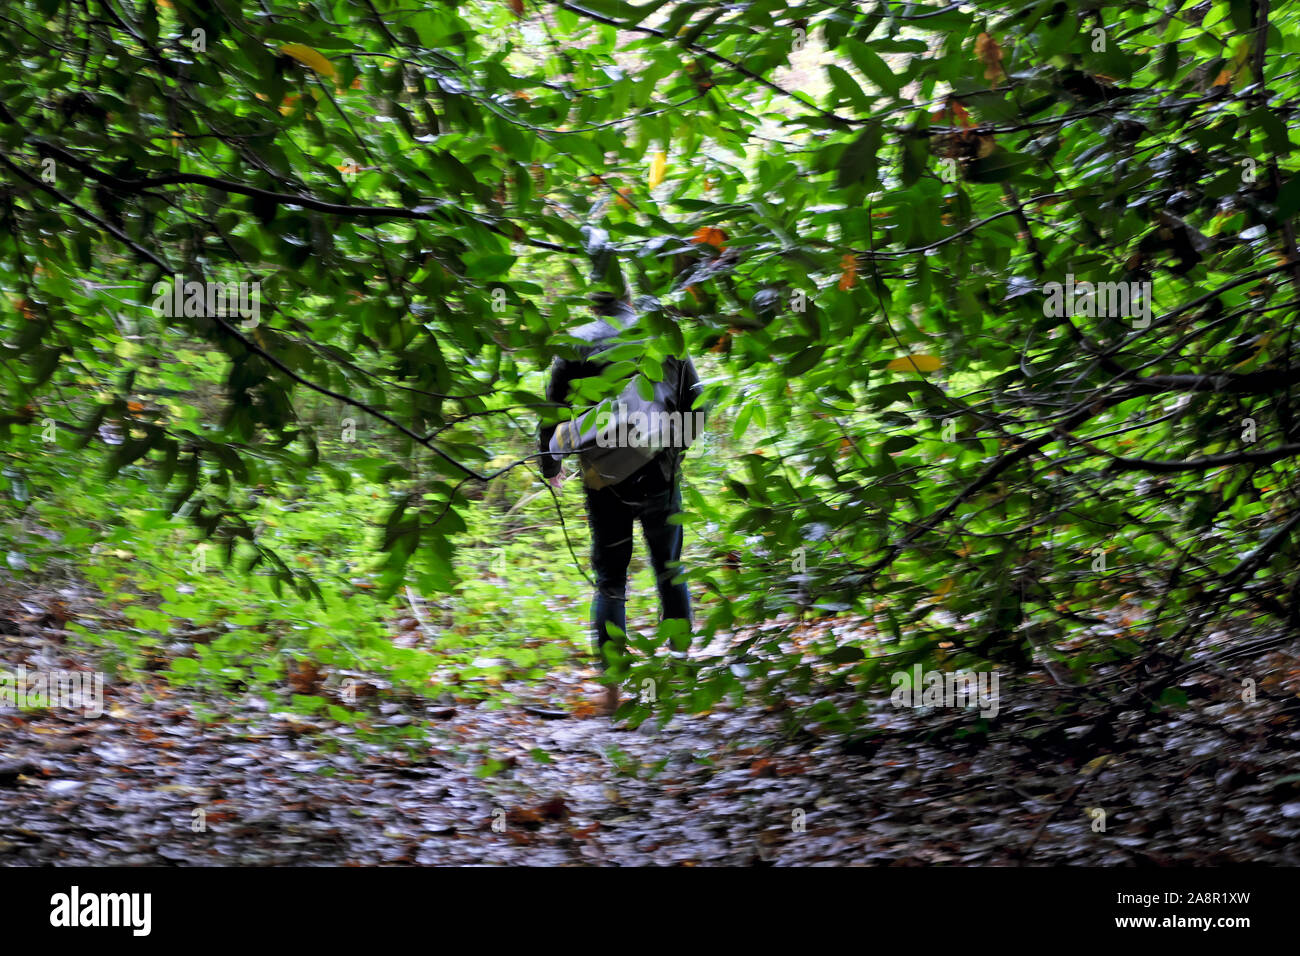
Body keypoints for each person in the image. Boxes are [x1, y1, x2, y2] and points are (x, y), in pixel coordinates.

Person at [538, 293, 702, 715]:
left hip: (602, 481)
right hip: (661, 475)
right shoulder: (663, 337)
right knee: (670, 568)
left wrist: (550, 463)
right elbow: (696, 405)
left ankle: (612, 691)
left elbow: (551, 412)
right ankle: (681, 672)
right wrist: (671, 450)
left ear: (593, 304)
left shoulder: (576, 342)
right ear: (629, 299)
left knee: (611, 580)